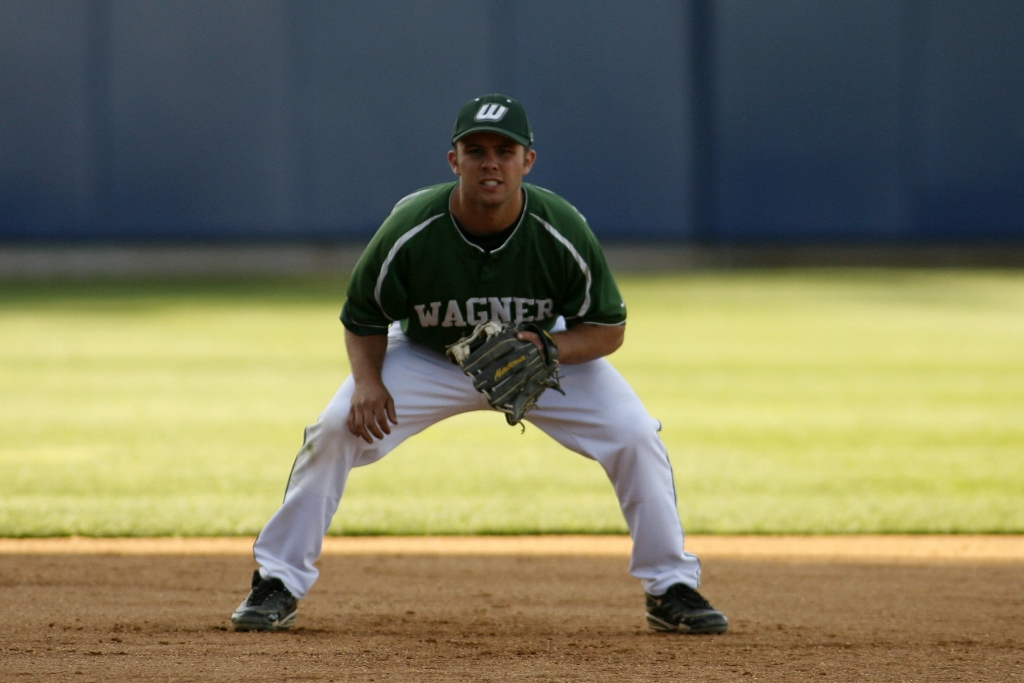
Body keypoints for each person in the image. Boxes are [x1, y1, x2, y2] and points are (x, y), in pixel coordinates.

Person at [230, 94, 728, 635]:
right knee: (333, 429)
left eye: (504, 150)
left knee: (634, 435)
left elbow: (609, 328)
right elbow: (363, 315)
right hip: (429, 357)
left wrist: (550, 349)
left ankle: (670, 586)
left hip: (538, 358)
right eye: (476, 150)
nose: (490, 162)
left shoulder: (561, 228)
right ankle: (277, 579)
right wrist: (368, 383)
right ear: (454, 161)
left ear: (527, 161)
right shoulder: (411, 228)